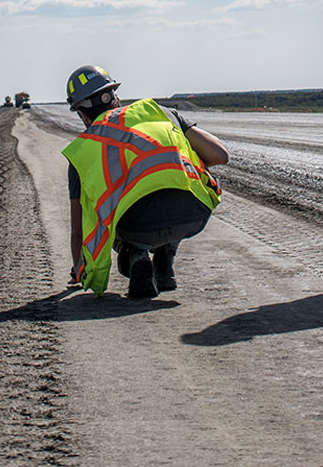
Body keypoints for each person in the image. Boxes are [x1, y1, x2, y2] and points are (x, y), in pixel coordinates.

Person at [61, 65, 229, 299]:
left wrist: (79, 269)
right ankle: (165, 258)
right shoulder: (159, 112)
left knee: (110, 212)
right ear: (116, 99)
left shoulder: (83, 151)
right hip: (194, 214)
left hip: (136, 228)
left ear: (82, 114)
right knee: (171, 183)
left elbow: (78, 227)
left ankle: (135, 257)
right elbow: (220, 155)